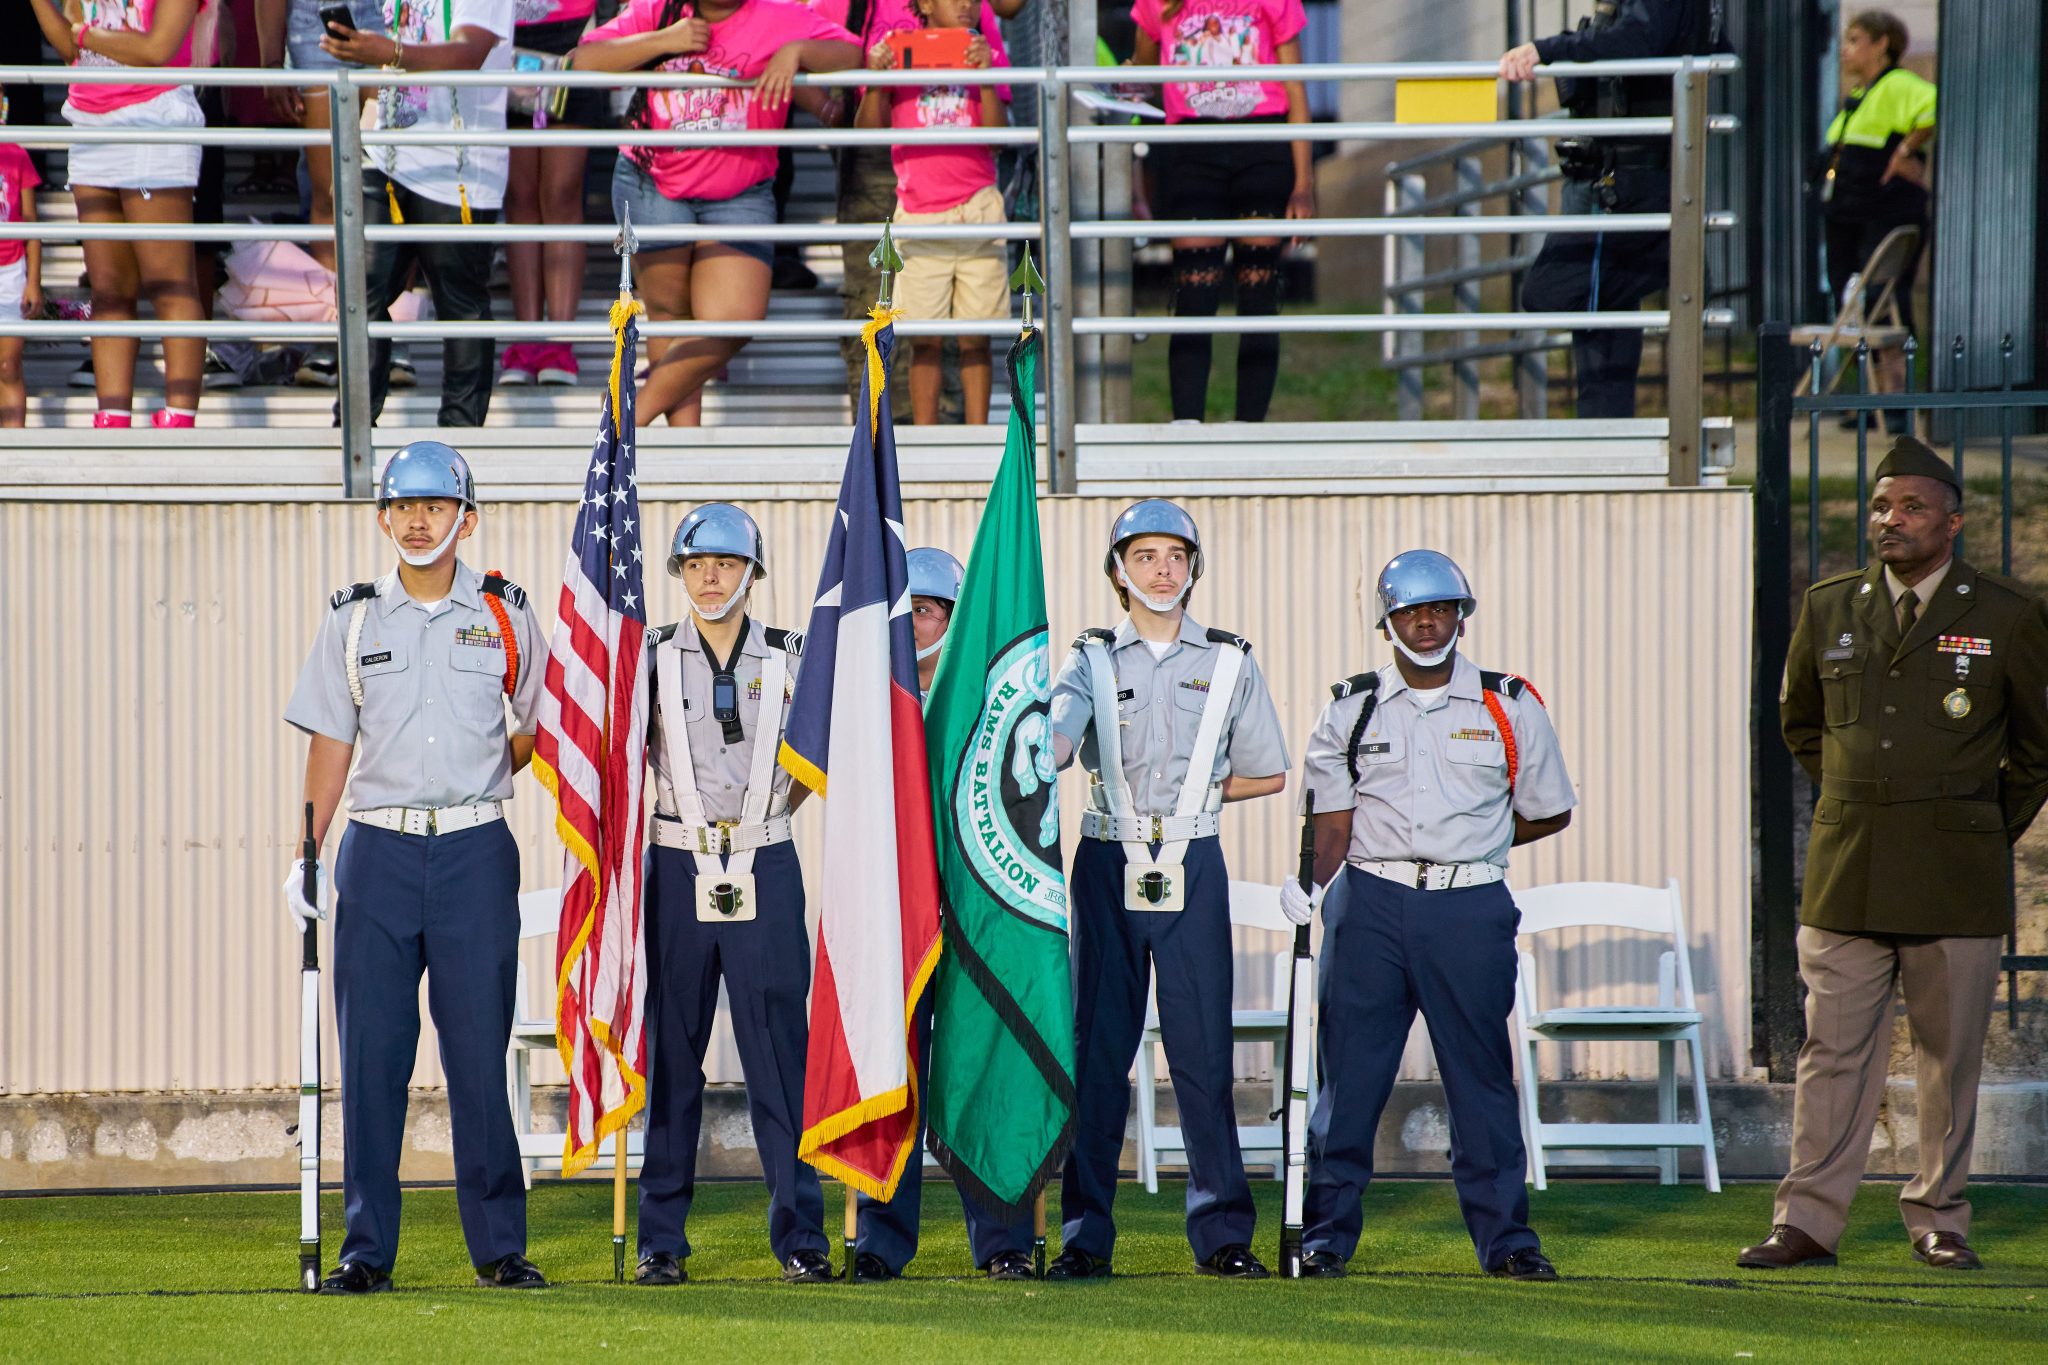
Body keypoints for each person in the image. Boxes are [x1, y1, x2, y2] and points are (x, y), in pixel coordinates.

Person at [1739, 437, 2048, 1273]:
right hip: (1848, 868)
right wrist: (1858, 802)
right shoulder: (1831, 606)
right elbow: (1802, 723)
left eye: (1910, 507)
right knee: (1830, 1053)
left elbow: (2035, 750)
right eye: (1881, 506)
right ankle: (1806, 1222)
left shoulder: (2006, 615)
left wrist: (1974, 824)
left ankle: (1940, 1217)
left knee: (1949, 1057)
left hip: (1955, 875)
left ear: (1953, 520)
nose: (1891, 520)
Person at [282, 441, 549, 1294]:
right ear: (383, 517)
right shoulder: (353, 619)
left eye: (436, 505)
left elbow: (536, 726)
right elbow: (333, 741)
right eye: (403, 505)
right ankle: (366, 1248)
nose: (419, 518)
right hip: (378, 852)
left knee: (477, 1053)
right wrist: (309, 855)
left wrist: (474, 781)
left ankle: (500, 1246)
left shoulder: (506, 613)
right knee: (372, 1057)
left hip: (475, 851)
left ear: (466, 518)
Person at [1286, 550, 1575, 1282]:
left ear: (1460, 615)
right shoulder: (1350, 707)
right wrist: (1309, 887)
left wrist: (1471, 847)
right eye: (1411, 611)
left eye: (1440, 608)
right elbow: (1332, 822)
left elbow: (1548, 809)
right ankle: (1324, 1237)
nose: (1426, 622)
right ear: (1387, 622)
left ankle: (1507, 1239)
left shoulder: (1509, 704)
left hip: (1469, 906)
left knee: (1479, 1079)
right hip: (1371, 903)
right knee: (1349, 1081)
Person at [1045, 499, 1289, 1281]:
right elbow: (1052, 740)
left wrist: (1200, 794)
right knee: (1096, 1052)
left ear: (1193, 568)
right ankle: (1084, 1235)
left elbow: (1270, 769)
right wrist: (1033, 743)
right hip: (1108, 862)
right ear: (1118, 570)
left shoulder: (1229, 661)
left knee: (1202, 1055)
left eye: (1175, 556)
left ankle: (1222, 1234)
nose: (1161, 570)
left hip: (1193, 859)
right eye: (1144, 556)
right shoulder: (1087, 659)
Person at [636, 503, 835, 1286]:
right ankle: (661, 1240)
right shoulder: (648, 656)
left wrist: (760, 821)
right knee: (673, 1055)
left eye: (724, 563)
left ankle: (801, 1234)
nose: (709, 577)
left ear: (752, 571)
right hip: (676, 865)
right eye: (694, 564)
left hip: (765, 862)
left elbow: (818, 756)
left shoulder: (793, 654)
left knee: (783, 1056)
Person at [847, 543, 1039, 1282]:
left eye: (927, 610)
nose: (915, 623)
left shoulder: (995, 704)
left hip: (979, 909)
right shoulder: (868, 704)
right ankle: (880, 1240)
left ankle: (1003, 1241)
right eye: (907, 611)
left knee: (985, 1067)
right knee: (894, 1069)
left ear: (955, 620)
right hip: (894, 910)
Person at [575, 0, 859, 428]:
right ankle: (681, 449)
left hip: (739, 190)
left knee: (734, 320)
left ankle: (622, 418)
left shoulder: (778, 14)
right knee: (670, 320)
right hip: (652, 180)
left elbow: (854, 53)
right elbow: (582, 61)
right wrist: (663, 41)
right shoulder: (659, 9)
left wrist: (796, 51)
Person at [1503, 0, 1721, 419]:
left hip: (1628, 179)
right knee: (1602, 318)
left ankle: (1668, 264)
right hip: (1613, 171)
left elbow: (1638, 40)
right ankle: (1604, 438)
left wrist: (1547, 49)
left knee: (1549, 292)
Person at [320, 0, 512, 428]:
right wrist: (350, 151)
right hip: (384, 156)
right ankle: (352, 430)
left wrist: (385, 52)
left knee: (460, 303)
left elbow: (469, 53)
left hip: (458, 167)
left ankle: (459, 438)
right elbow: (390, 67)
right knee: (358, 296)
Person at [833, 0, 1020, 415]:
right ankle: (926, 440)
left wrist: (988, 78)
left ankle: (978, 437)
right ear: (925, 5)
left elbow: (998, 137)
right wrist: (877, 80)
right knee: (924, 338)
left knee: (978, 336)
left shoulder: (985, 50)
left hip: (978, 208)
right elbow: (867, 134)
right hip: (918, 209)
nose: (968, 5)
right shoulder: (898, 50)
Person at [29, 0, 209, 429]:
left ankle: (179, 418)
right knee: (108, 289)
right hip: (90, 121)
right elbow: (69, 50)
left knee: (169, 283)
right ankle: (111, 417)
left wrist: (85, 35)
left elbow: (157, 50)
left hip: (154, 118)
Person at [1132, 0, 1313, 425]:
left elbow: (1298, 93)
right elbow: (1141, 73)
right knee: (1195, 290)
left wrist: (1304, 185)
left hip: (1262, 144)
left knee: (1258, 291)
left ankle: (1250, 428)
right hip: (1193, 148)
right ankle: (1187, 427)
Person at [254, 0, 389, 388]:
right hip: (313, 24)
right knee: (329, 192)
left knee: (390, 188)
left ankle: (391, 334)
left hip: (390, 19)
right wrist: (269, 65)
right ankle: (331, 333)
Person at [1818, 10, 1934, 428]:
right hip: (1850, 217)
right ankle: (1870, 401)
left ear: (1881, 44)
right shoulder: (1860, 96)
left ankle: (1897, 405)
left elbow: (1934, 106)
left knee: (1886, 302)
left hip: (1884, 216)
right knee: (1854, 308)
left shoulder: (1898, 85)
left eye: (1854, 40)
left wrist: (1905, 153)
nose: (1845, 51)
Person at [499, 0, 605, 389]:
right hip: (507, 34)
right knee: (520, 196)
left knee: (560, 194)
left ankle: (560, 343)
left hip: (577, 33)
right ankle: (527, 339)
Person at [0, 112, 44, 428]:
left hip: (10, 270)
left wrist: (34, 282)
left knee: (7, 365)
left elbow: (31, 222)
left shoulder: (15, 153)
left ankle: (15, 447)